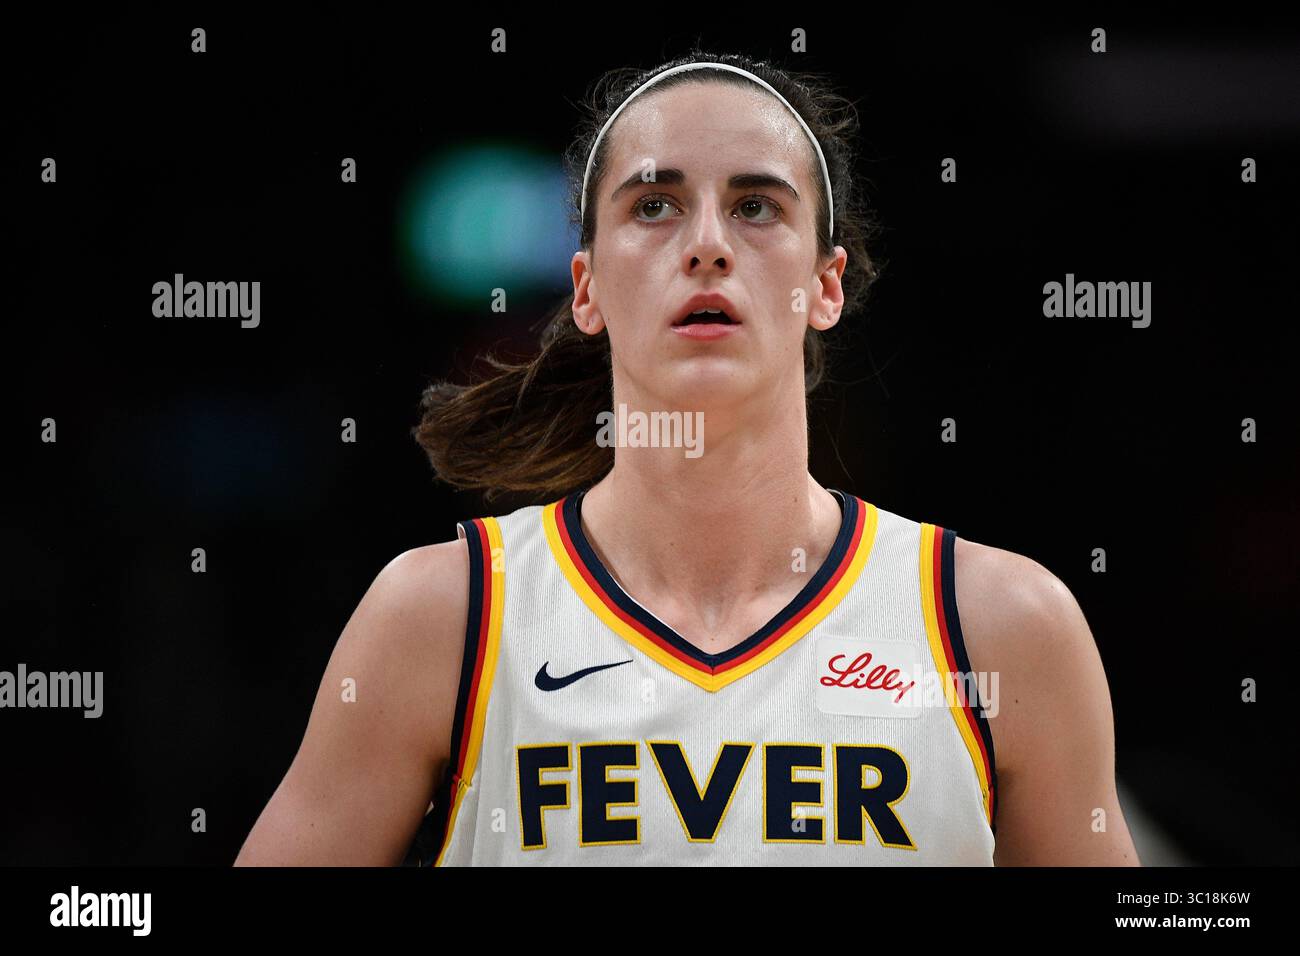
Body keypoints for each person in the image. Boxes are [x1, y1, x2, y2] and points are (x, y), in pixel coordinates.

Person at [235, 50, 1139, 867]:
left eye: (755, 206)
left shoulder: (1000, 624)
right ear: (585, 287)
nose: (706, 243)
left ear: (825, 284)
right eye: (655, 205)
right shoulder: (445, 616)